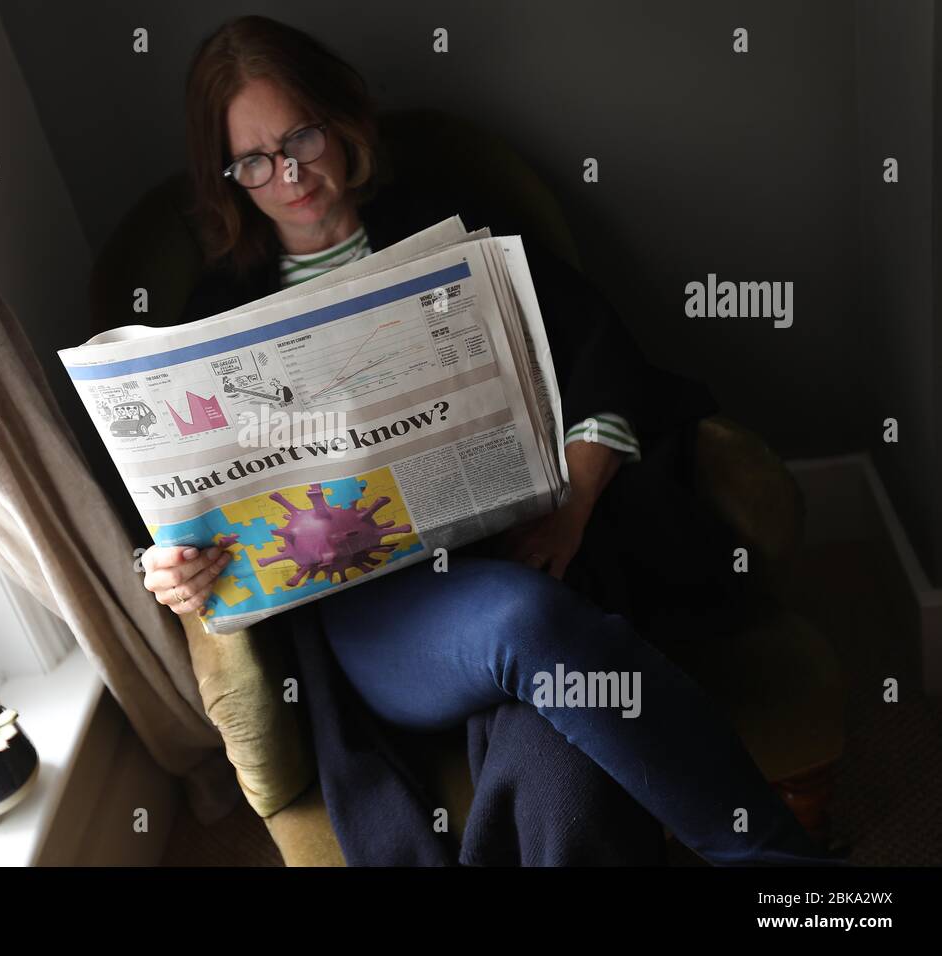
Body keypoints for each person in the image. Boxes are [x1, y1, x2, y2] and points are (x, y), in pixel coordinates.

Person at [137, 15, 840, 866]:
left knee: (563, 772)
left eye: (301, 138)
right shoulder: (218, 314)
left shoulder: (452, 228)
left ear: (343, 120)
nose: (287, 175)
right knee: (528, 622)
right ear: (228, 176)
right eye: (253, 160)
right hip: (386, 620)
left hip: (532, 544)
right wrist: (173, 566)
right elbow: (199, 506)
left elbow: (604, 357)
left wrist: (577, 501)